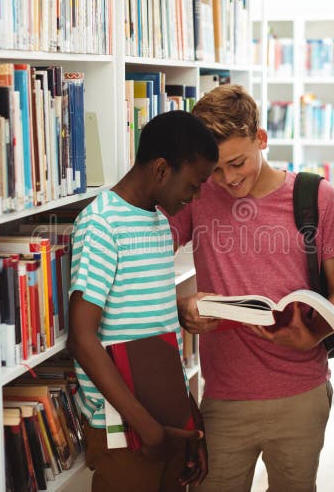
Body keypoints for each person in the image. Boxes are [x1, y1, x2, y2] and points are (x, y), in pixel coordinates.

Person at [167, 84, 334, 491]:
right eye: (215, 169)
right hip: (224, 397)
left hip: (301, 396)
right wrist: (180, 306)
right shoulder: (197, 196)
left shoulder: (315, 197)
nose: (228, 179)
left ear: (261, 138)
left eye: (237, 162)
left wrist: (313, 334)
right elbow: (143, 263)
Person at [66, 110, 219, 491]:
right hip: (125, 430)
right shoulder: (101, 224)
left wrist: (191, 420)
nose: (196, 196)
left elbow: (160, 329)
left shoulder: (157, 223)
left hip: (167, 422)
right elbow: (82, 338)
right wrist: (146, 428)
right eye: (195, 184)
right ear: (163, 170)